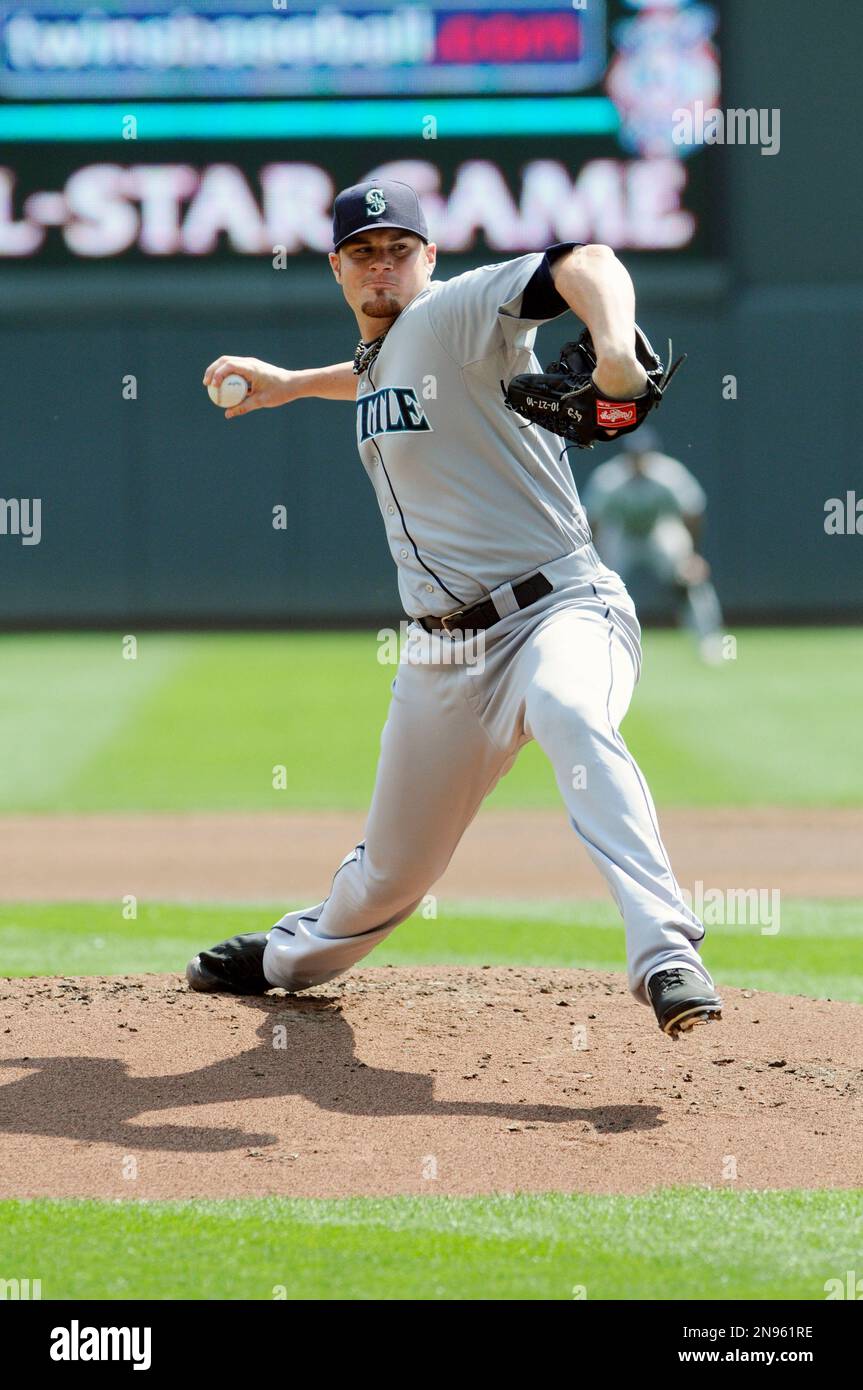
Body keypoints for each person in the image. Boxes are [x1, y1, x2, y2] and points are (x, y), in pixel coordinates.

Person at [186, 177, 722, 1038]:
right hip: (442, 656)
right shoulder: (384, 357)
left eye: (400, 249)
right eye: (363, 252)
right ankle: (283, 960)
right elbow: (377, 371)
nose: (382, 265)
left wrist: (614, 351)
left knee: (569, 710)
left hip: (558, 610)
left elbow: (587, 260)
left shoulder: (457, 313)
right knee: (391, 874)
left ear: (430, 259)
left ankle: (665, 951)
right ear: (336, 268)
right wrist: (289, 384)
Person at [582, 427, 725, 663]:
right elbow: (593, 521)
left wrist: (692, 556)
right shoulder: (610, 478)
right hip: (622, 534)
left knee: (690, 578)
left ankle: (709, 640)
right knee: (598, 584)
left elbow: (693, 513)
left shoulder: (669, 474)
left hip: (659, 531)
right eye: (635, 455)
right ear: (625, 456)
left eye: (644, 454)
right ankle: (596, 640)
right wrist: (593, 561)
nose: (639, 461)